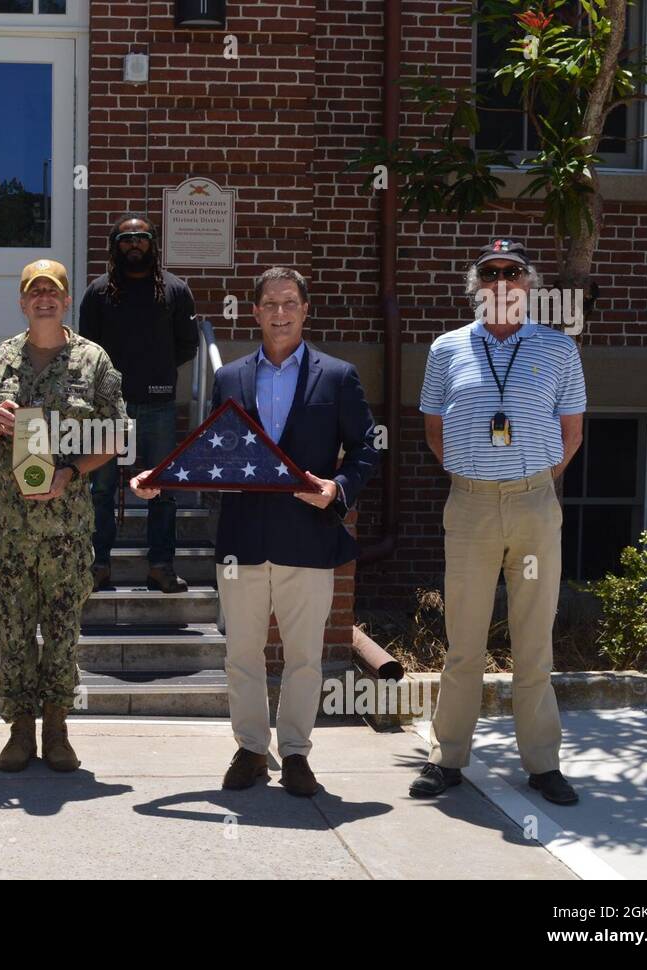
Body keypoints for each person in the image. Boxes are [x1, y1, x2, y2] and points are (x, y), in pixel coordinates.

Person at [132, 267, 379, 797]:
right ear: (256, 312)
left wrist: (337, 488)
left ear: (305, 309)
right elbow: (210, 452)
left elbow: (366, 449)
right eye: (270, 304)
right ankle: (249, 749)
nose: (280, 313)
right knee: (241, 652)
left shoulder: (337, 377)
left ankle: (294, 753)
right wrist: (159, 480)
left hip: (307, 539)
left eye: (290, 302)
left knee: (304, 655)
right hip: (242, 538)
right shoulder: (230, 379)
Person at [410, 239, 586, 806]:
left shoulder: (558, 349)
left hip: (535, 505)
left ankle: (542, 763)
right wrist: (477, 476)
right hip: (470, 507)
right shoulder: (446, 348)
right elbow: (435, 430)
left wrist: (528, 478)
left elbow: (573, 432)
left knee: (534, 642)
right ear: (476, 286)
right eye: (491, 274)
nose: (502, 282)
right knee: (463, 643)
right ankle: (447, 759)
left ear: (529, 286)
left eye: (513, 272)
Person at [0, 259, 127, 772]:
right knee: (14, 628)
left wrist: (72, 472)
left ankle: (57, 729)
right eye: (34, 291)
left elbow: (116, 435)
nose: (43, 299)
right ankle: (19, 731)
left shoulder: (93, 360)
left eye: (52, 291)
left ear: (64, 299)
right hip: (11, 522)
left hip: (66, 520)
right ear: (21, 300)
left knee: (61, 628)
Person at [79, 215, 198, 593]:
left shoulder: (176, 290)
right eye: (126, 238)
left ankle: (160, 565)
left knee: (162, 488)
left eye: (141, 238)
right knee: (100, 488)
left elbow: (187, 345)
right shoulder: (97, 293)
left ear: (153, 243)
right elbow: (86, 349)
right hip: (107, 409)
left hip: (158, 404)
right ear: (115, 245)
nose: (134, 245)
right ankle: (98, 564)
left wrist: (156, 372)